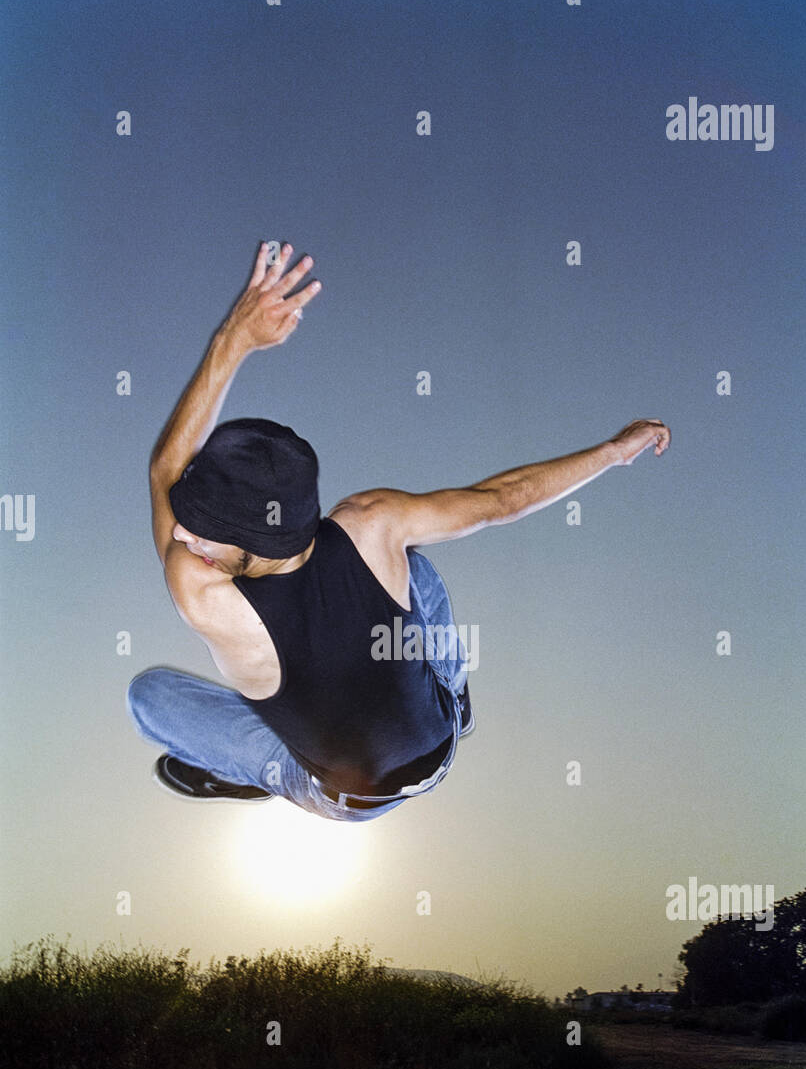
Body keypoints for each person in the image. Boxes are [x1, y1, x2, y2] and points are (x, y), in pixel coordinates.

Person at [127, 241, 670, 822]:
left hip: (353, 796)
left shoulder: (204, 596)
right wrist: (613, 452)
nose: (184, 536)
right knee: (414, 565)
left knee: (149, 698)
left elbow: (163, 465)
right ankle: (456, 696)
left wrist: (233, 339)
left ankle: (264, 774)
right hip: (441, 739)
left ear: (254, 543)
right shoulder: (371, 523)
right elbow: (498, 502)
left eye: (206, 533)